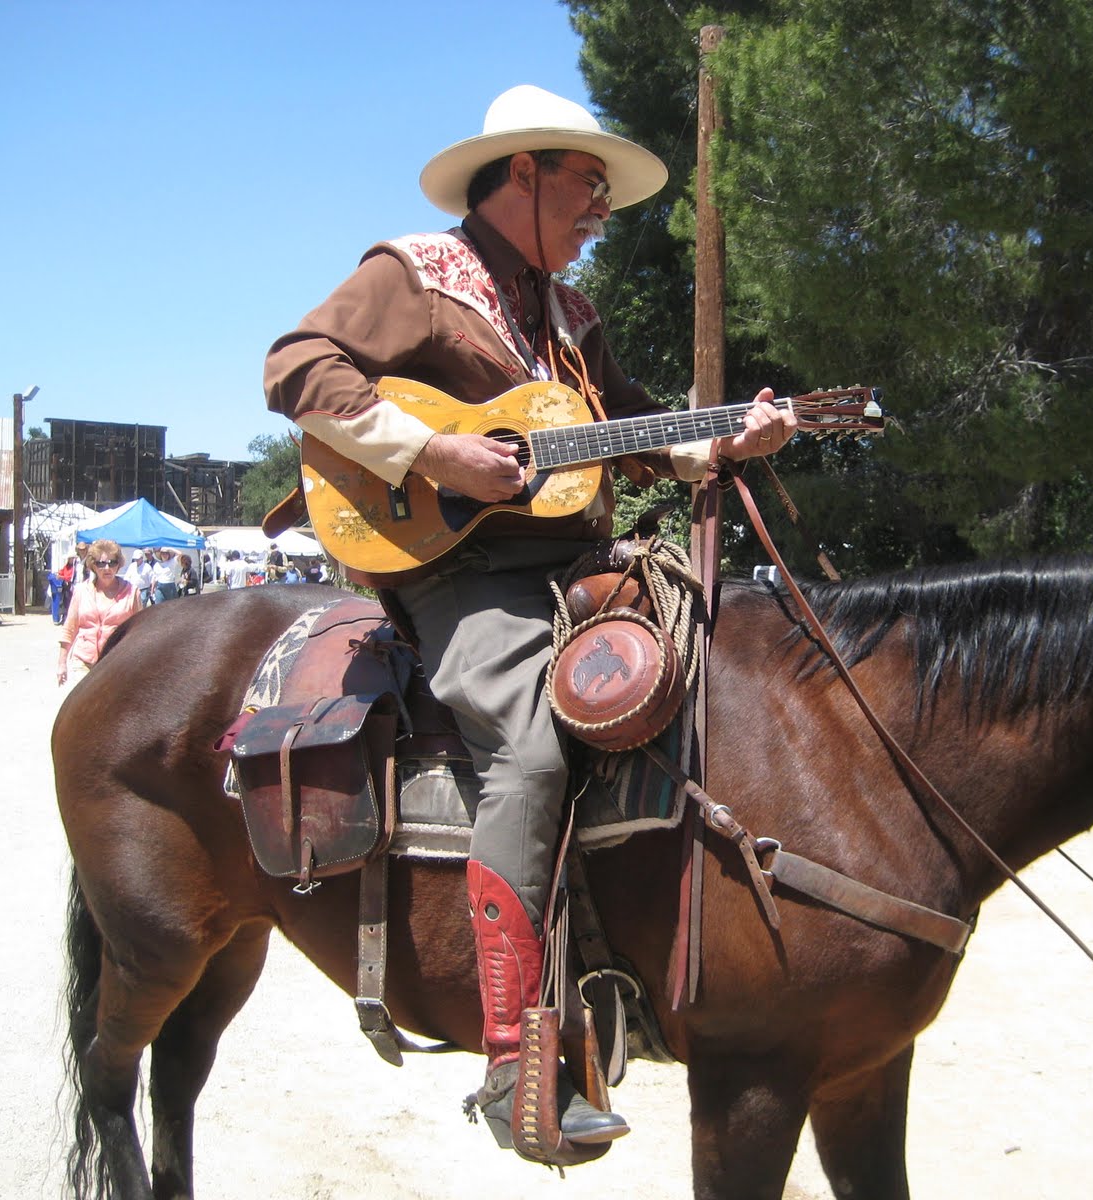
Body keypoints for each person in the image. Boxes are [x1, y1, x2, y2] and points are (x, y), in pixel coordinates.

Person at [264, 83, 797, 1151]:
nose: (602, 210)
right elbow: (297, 367)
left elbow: (628, 427)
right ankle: (517, 1060)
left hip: (575, 561)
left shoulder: (571, 319)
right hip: (455, 572)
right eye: (587, 185)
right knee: (538, 746)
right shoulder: (416, 273)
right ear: (523, 174)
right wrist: (434, 452)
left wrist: (723, 436)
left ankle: (625, 973)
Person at [56, 539, 143, 688]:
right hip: (83, 661)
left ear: (119, 564)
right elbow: (69, 629)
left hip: (117, 664)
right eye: (101, 563)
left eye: (112, 563)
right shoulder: (81, 591)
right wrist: (61, 663)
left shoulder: (132, 592)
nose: (107, 568)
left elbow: (141, 632)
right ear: (93, 565)